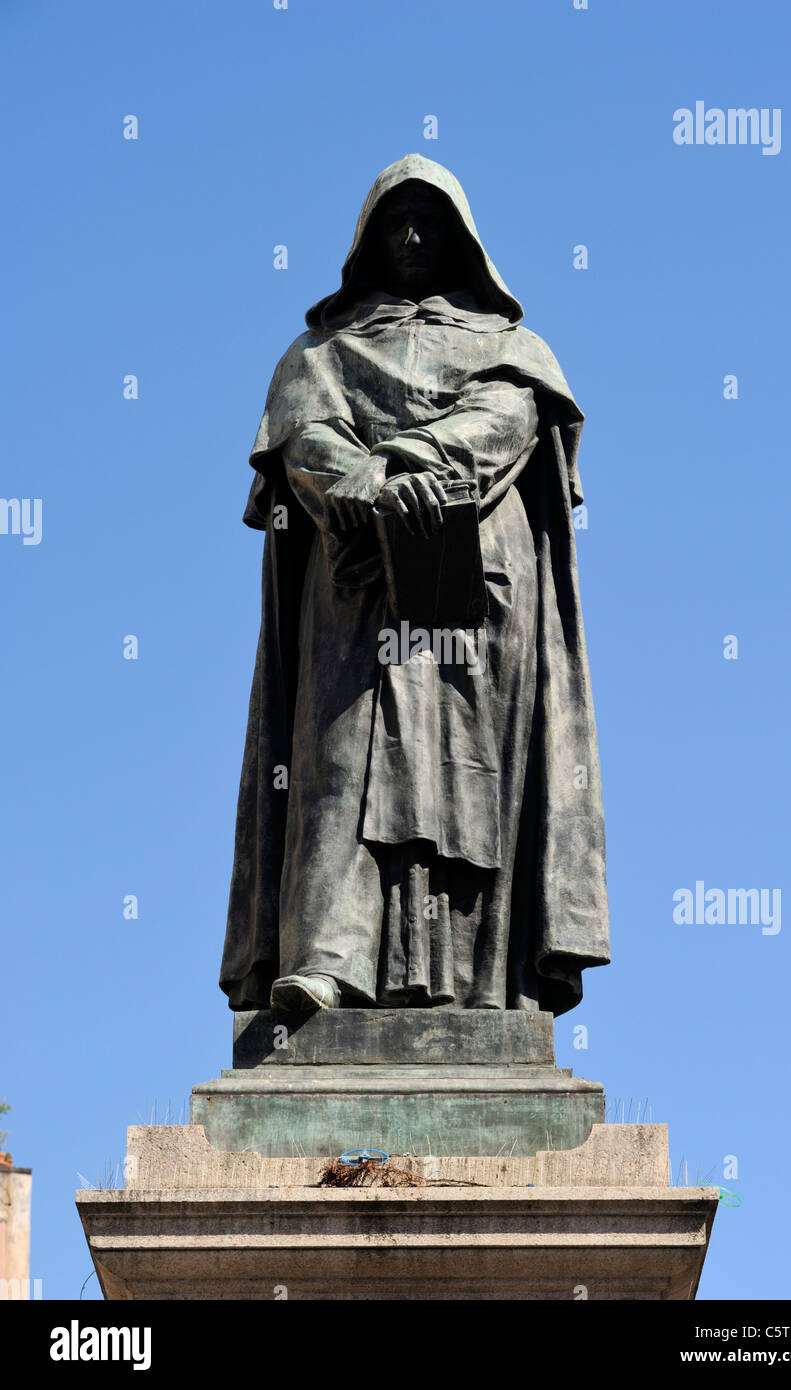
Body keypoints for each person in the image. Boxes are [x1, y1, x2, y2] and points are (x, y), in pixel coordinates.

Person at [219, 153, 610, 1017]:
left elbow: (507, 418)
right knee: (339, 758)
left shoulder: (513, 348)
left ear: (463, 239)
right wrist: (359, 487)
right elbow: (302, 442)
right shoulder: (319, 352)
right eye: (396, 221)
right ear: (364, 243)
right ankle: (326, 957)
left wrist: (402, 465)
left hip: (478, 582)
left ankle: (478, 983)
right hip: (355, 573)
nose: (411, 236)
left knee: (467, 772)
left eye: (431, 222)